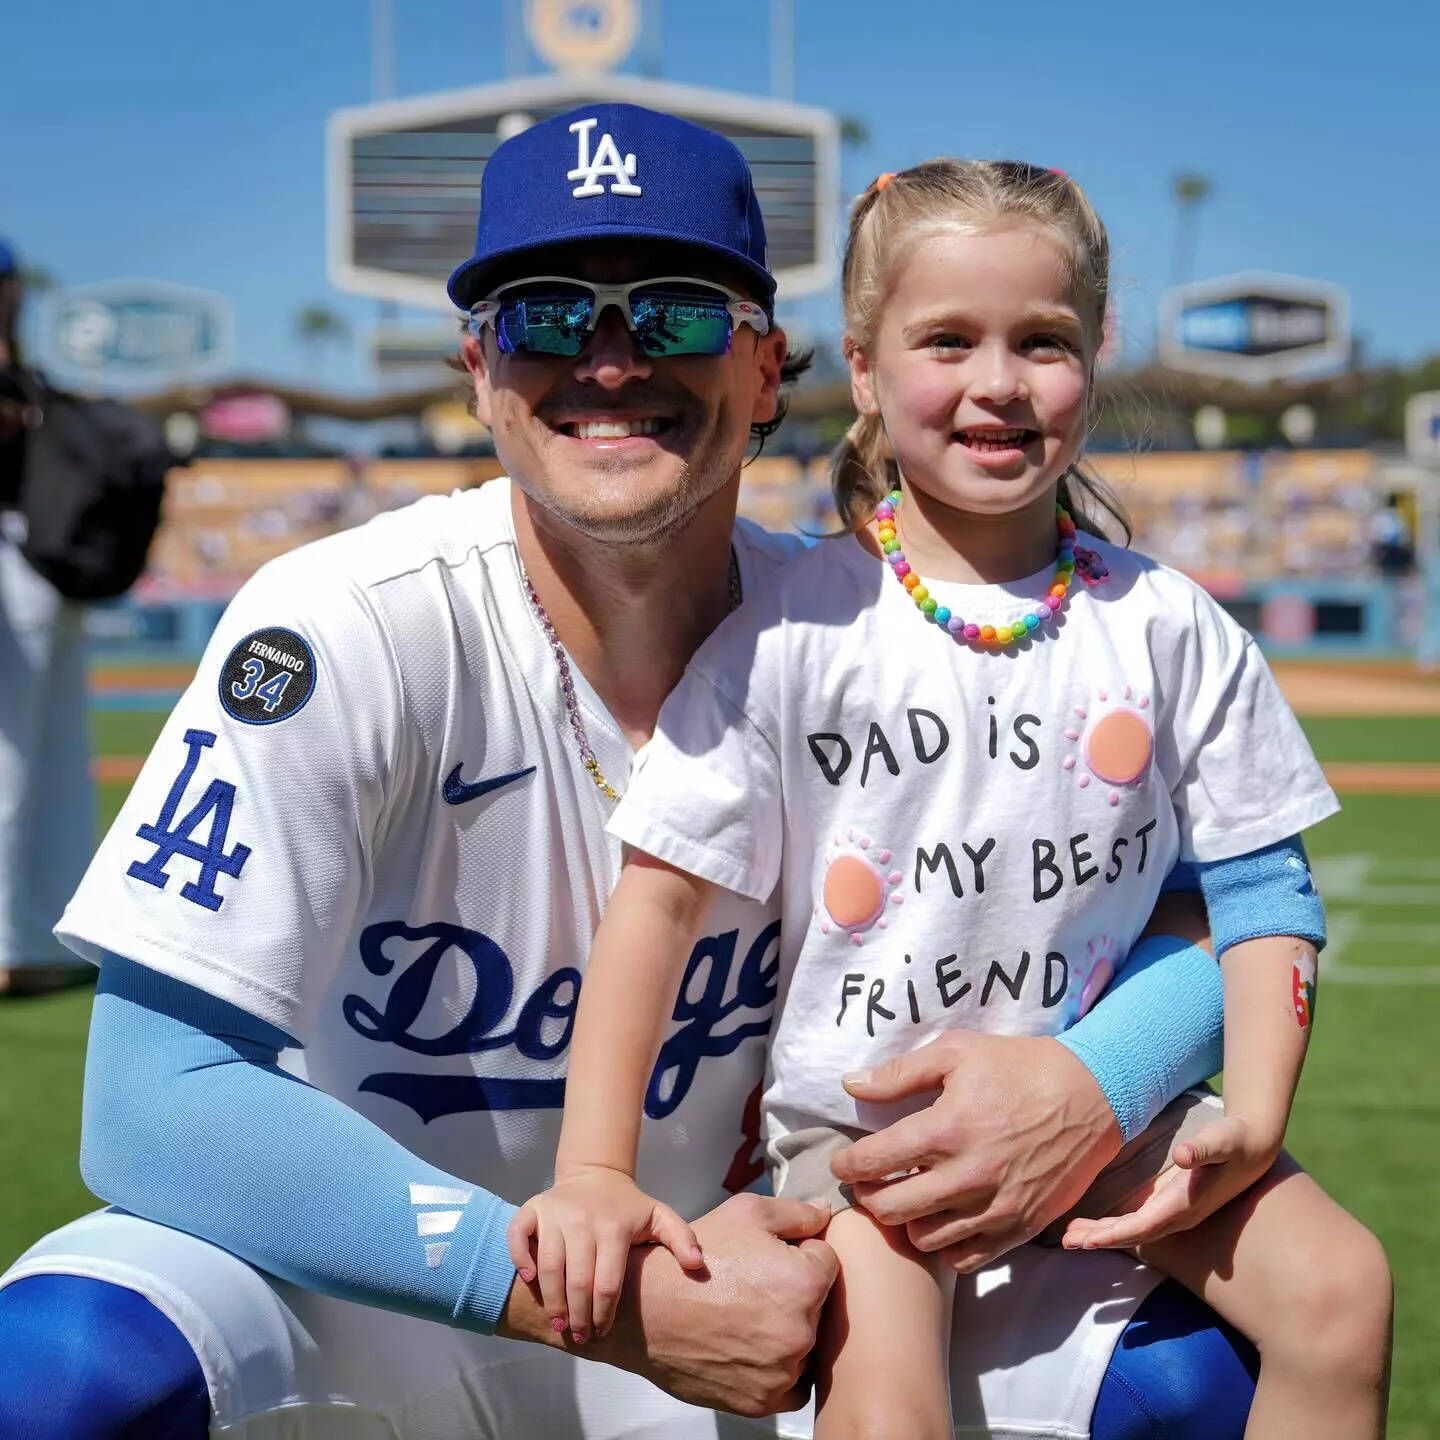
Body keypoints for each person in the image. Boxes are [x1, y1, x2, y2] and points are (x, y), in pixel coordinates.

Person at [2, 111, 1257, 1438]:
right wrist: (571, 1297)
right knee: (61, 1369)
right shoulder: (348, 625)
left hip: (773, 1287)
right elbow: (151, 1105)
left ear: (768, 366)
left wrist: (1098, 1078)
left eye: (673, 317)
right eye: (547, 317)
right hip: (376, 1293)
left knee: (1189, 1380)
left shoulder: (891, 627)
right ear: (479, 365)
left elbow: (1205, 903)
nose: (608, 363)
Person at [511, 160, 1394, 1439]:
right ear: (864, 372)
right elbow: (655, 900)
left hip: (1110, 1118)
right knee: (889, 1396)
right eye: (948, 341)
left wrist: (1252, 1116)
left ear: (1094, 360)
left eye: (1043, 341)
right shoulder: (790, 628)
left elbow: (1264, 890)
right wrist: (593, 1173)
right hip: (867, 1149)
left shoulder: (1171, 624)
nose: (999, 381)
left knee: (1341, 1288)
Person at [0, 237, 97, 998]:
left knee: (43, 760)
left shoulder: (23, 374)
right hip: (35, 560)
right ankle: (28, 938)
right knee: (31, 760)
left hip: (31, 558)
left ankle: (33, 939)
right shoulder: (23, 374)